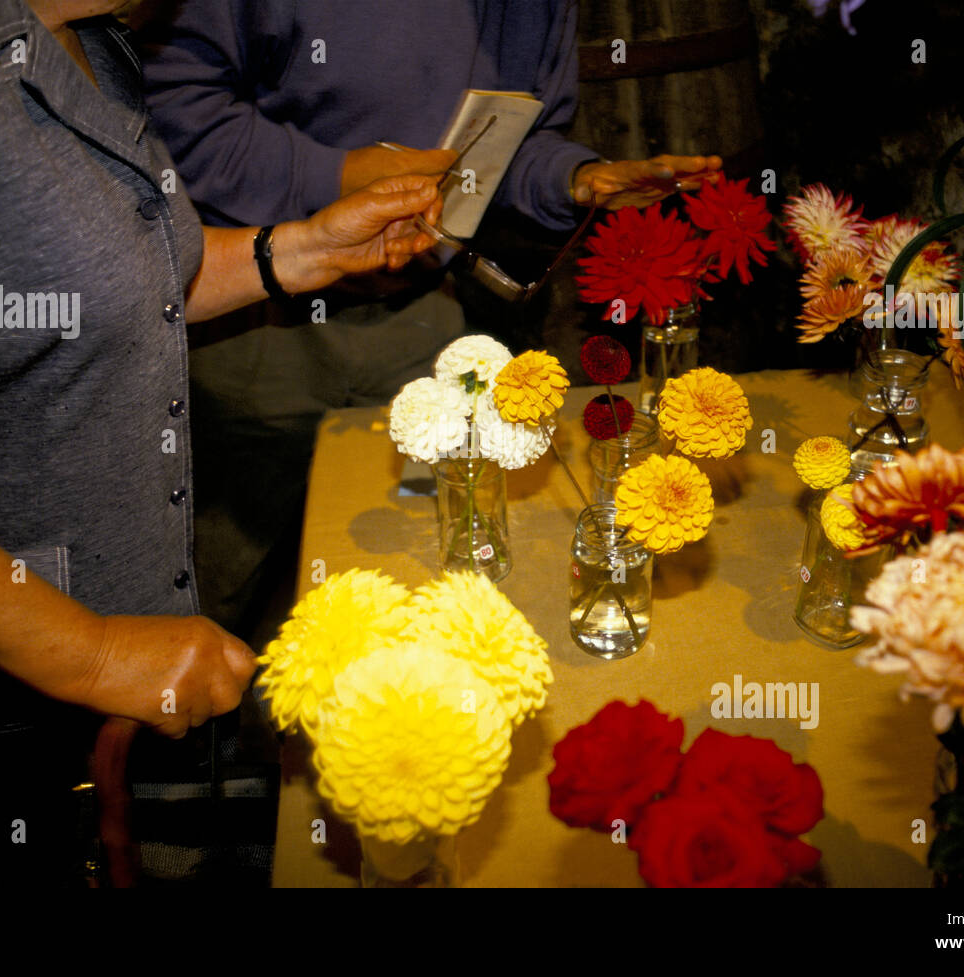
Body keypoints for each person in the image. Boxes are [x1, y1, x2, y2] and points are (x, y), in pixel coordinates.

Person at [0, 0, 440, 887]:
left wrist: (291, 253)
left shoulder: (97, 43)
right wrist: (93, 651)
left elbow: (97, 289)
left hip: (108, 711)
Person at [138, 0, 724, 637]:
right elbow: (169, 108)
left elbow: (503, 148)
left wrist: (574, 178)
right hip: (250, 322)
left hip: (423, 325)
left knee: (431, 570)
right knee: (208, 609)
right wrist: (337, 175)